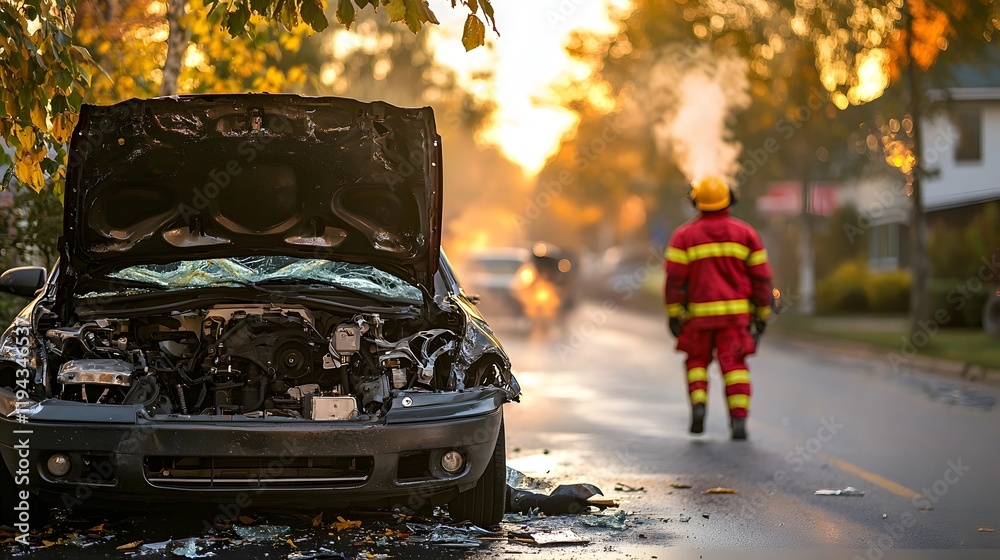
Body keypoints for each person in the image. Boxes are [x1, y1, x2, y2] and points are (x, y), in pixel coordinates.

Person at [664, 176, 773, 440]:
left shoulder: (683, 236)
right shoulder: (746, 234)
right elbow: (761, 279)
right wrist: (762, 314)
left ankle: (699, 407)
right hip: (735, 320)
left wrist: (674, 314)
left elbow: (675, 281)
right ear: (731, 199)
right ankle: (738, 421)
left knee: (697, 362)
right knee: (734, 366)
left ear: (695, 202)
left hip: (698, 319)